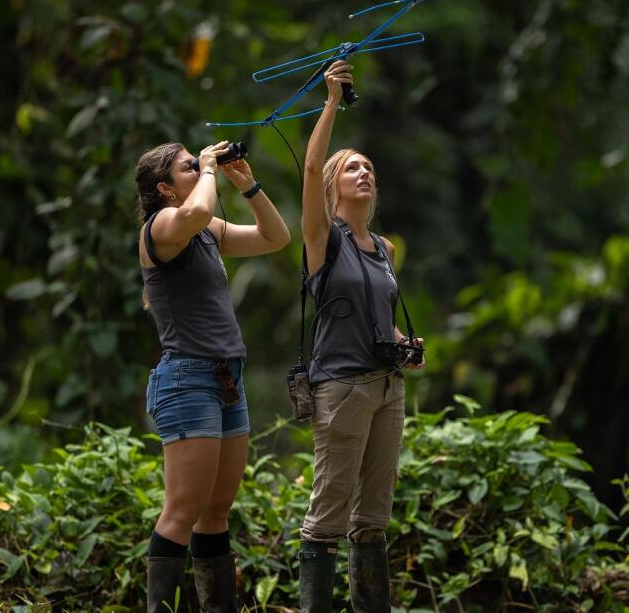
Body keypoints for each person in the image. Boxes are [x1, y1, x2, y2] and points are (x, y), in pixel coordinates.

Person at [135, 140, 290, 612]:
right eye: (187, 167)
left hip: (226, 379)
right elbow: (197, 212)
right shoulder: (161, 226)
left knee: (216, 512)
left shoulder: (204, 230)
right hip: (187, 379)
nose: (201, 170)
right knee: (183, 510)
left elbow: (275, 238)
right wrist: (207, 169)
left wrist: (248, 185)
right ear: (165, 187)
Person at [296, 60, 426, 613]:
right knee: (328, 515)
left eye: (368, 167)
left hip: (387, 389)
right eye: (352, 168)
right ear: (334, 186)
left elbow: (378, 315)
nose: (365, 173)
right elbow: (307, 172)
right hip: (342, 389)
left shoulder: (384, 248)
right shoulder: (323, 236)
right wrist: (330, 102)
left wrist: (403, 344)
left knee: (373, 519)